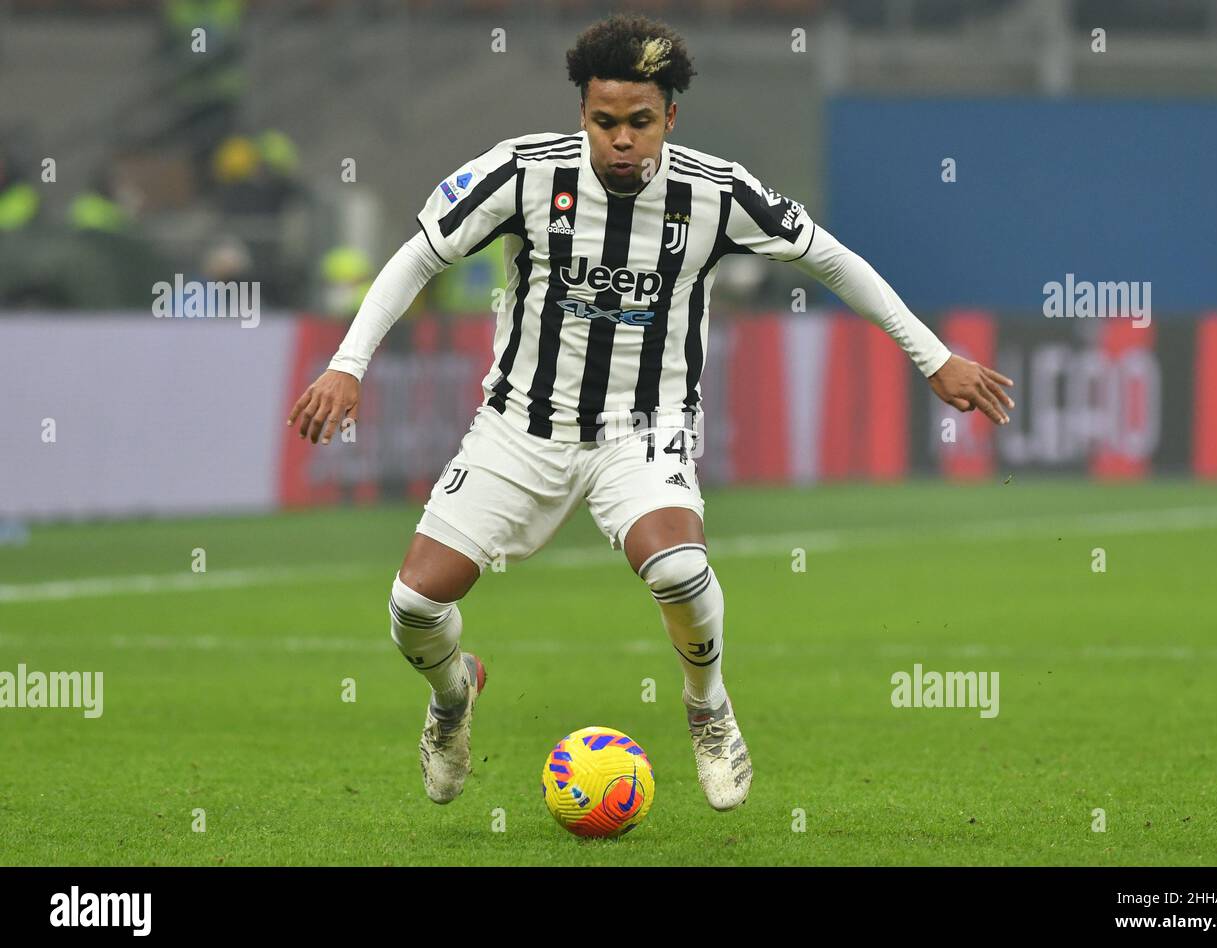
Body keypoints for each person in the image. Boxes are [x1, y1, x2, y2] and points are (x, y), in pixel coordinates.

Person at [286, 14, 1015, 813]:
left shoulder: (716, 192)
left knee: (678, 569)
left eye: (639, 122)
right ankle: (454, 697)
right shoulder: (522, 175)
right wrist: (347, 365)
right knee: (415, 607)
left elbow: (831, 258)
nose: (621, 141)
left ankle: (707, 709)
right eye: (605, 123)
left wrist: (935, 356)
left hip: (647, 427)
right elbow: (417, 255)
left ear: (671, 117)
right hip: (519, 427)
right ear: (583, 117)